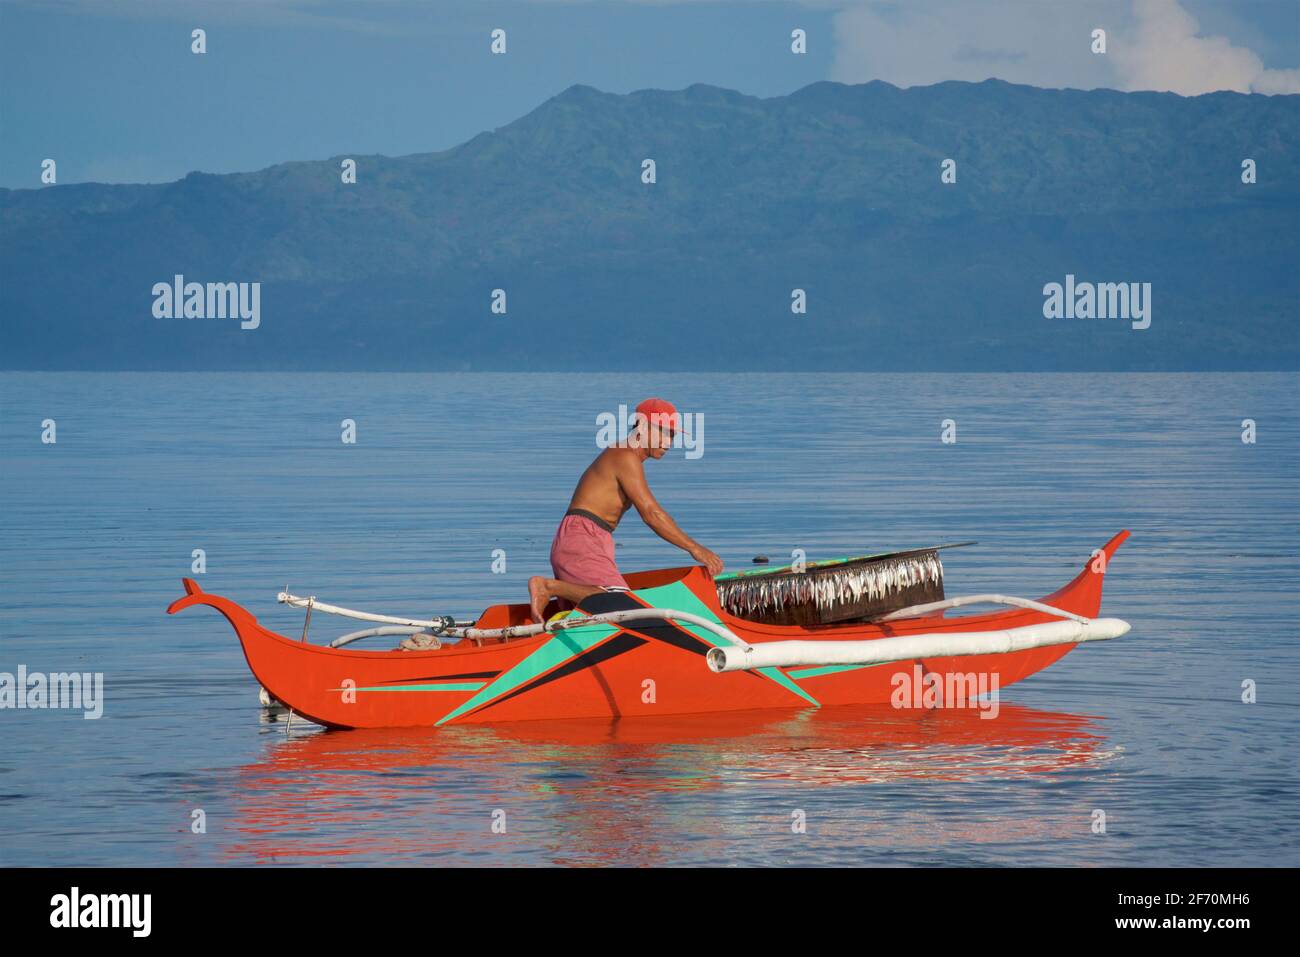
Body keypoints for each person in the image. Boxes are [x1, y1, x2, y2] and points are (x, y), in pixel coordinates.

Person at [527, 397, 724, 621]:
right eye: (664, 432)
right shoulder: (625, 456)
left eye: (673, 435)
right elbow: (652, 514)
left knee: (600, 612)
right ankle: (547, 587)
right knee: (622, 605)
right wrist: (695, 549)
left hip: (585, 538)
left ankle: (553, 598)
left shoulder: (624, 455)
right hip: (582, 538)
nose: (669, 442)